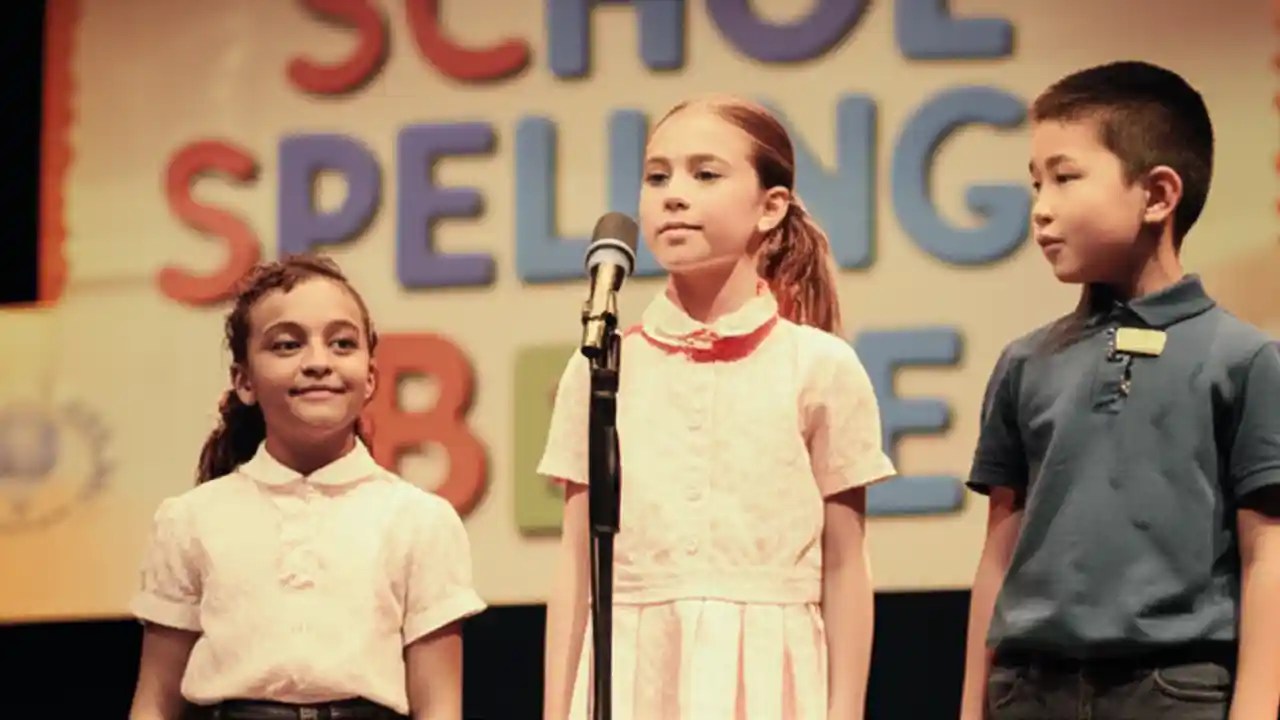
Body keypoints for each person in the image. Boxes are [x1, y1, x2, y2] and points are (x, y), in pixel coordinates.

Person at [540, 95, 896, 720]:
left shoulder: (818, 366)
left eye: (705, 174)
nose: (674, 195)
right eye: (657, 176)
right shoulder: (600, 367)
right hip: (632, 676)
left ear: (771, 206)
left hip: (771, 679)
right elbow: (575, 567)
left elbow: (844, 567)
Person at [959, 61, 1280, 720]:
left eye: (1065, 177)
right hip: (1027, 690)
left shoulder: (1244, 359)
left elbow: (1266, 556)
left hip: (1173, 691)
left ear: (1158, 195)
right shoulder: (1026, 362)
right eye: (1035, 183)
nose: (1041, 208)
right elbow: (999, 551)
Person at [127, 255, 485, 720]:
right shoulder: (191, 519)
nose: (318, 362)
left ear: (371, 376)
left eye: (341, 343)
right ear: (244, 380)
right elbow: (156, 701)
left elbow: (438, 705)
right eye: (287, 345)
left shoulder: (419, 519)